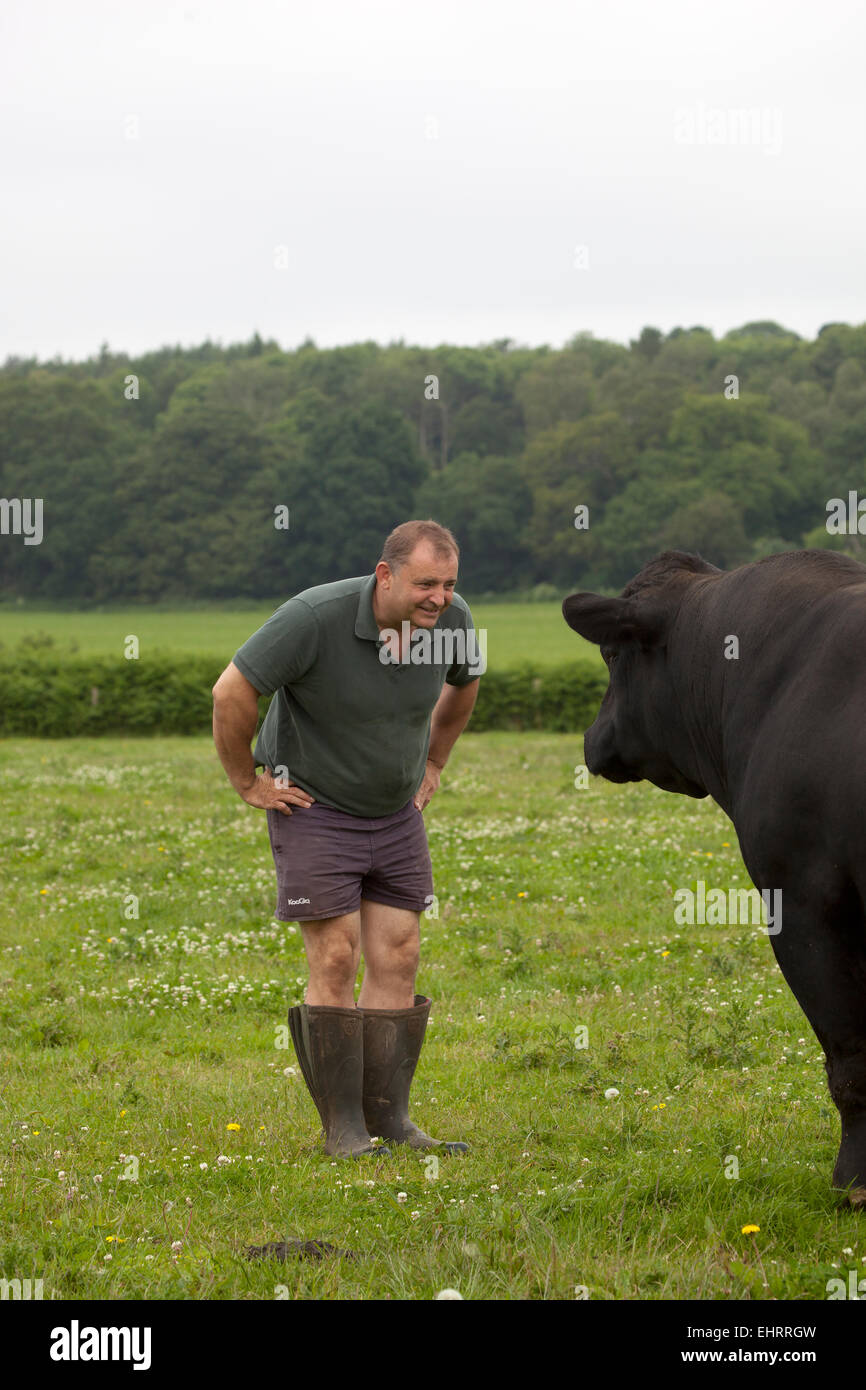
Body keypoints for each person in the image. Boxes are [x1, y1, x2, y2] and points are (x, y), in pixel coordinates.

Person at [212, 519, 482, 1158]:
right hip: (316, 806)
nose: (438, 599)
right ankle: (343, 1130)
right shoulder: (314, 616)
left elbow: (465, 683)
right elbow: (232, 690)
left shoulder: (454, 620)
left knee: (401, 951)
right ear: (384, 575)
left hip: (394, 812)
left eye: (447, 585)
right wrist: (247, 779)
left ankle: (389, 1120)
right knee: (336, 955)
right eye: (425, 584)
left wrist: (436, 762)